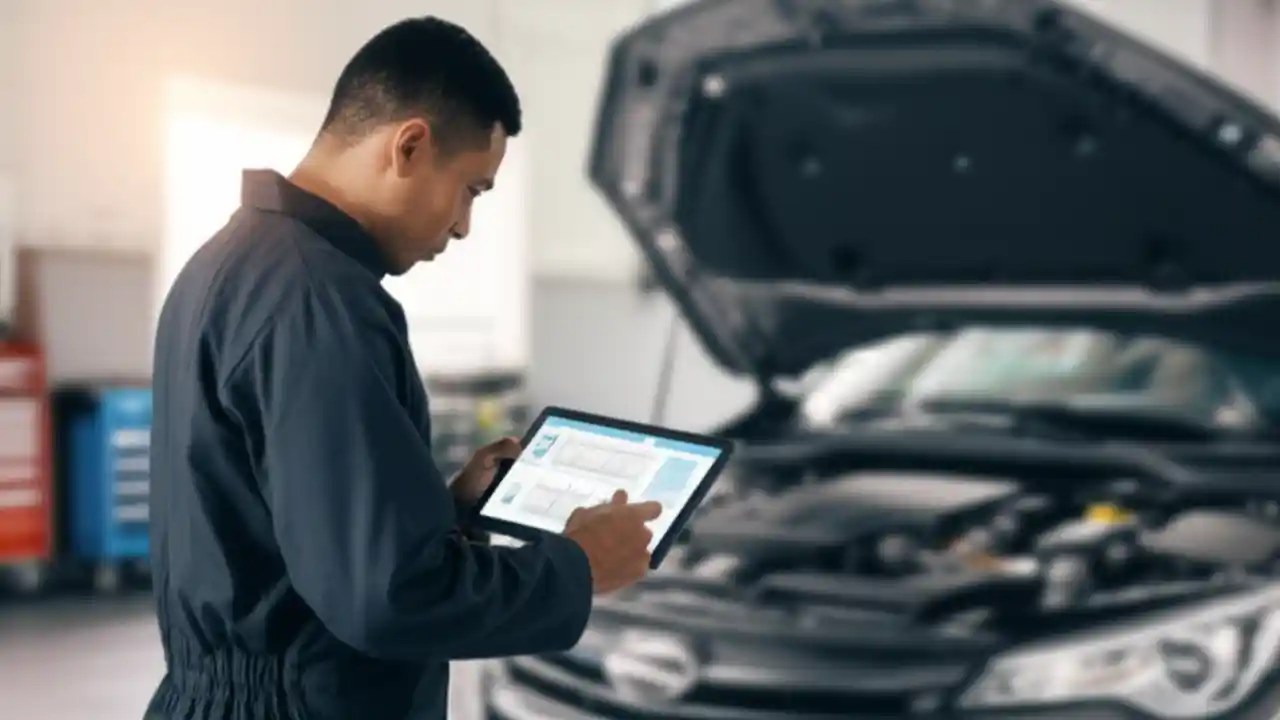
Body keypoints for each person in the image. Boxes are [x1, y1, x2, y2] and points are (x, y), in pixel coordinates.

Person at [145, 16, 660, 720]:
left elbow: (290, 538)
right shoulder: (319, 301)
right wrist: (576, 568)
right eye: (472, 190)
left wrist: (444, 511)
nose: (462, 226)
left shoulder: (237, 262)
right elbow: (383, 597)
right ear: (410, 145)